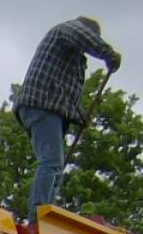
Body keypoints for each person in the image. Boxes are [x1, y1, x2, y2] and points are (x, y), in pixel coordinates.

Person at [14, 16, 121, 219]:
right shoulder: (68, 29)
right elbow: (80, 34)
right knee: (51, 163)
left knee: (56, 167)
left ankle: (45, 210)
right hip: (42, 104)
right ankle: (39, 214)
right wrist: (107, 53)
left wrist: (80, 116)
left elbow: (65, 93)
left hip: (41, 106)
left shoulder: (67, 53)